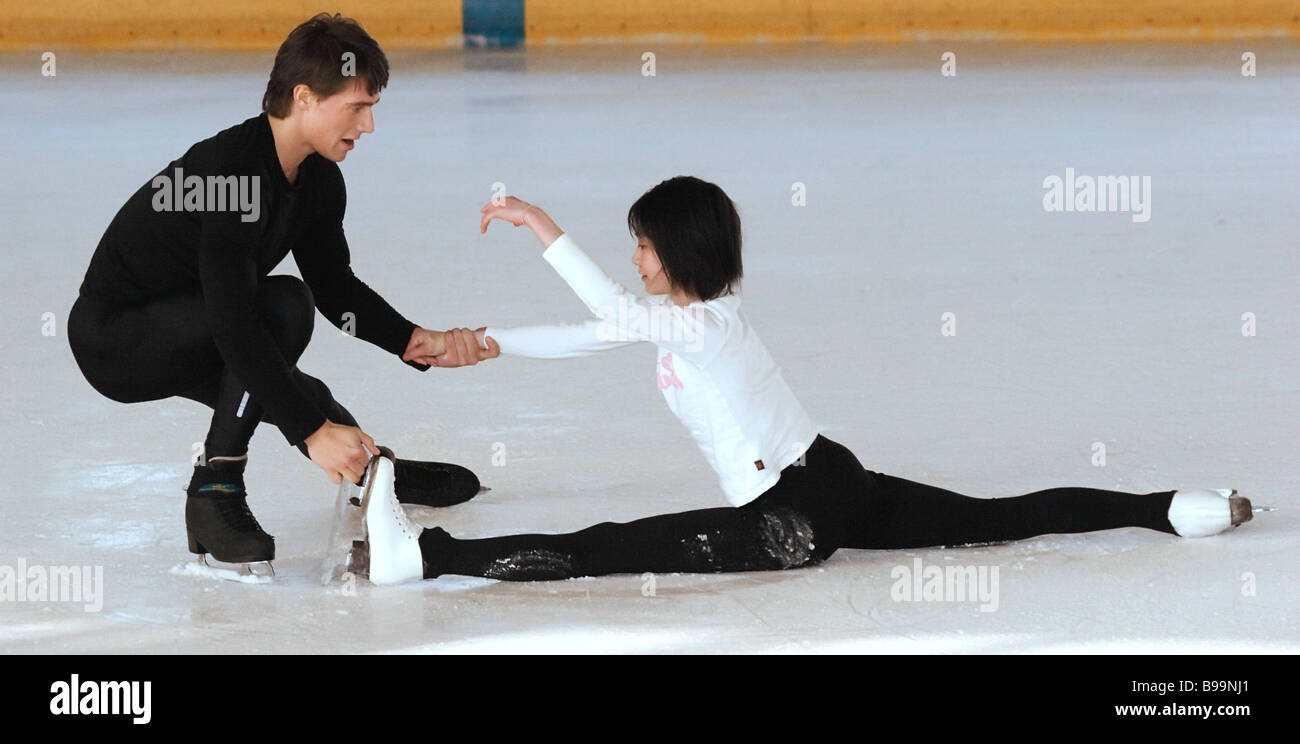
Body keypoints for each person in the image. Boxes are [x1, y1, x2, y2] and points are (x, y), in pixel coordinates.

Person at [360, 175, 1254, 585]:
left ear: (677, 253)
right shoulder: (703, 321)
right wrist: (487, 343)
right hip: (838, 478)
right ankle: (1173, 508)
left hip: (793, 515)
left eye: (641, 241)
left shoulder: (698, 323)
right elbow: (589, 335)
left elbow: (610, 314)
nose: (633, 255)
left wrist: (541, 225)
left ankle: (426, 560)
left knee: (612, 545)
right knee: (1000, 519)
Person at [67, 14, 495, 568]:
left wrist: (413, 339)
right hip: (117, 338)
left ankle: (371, 470)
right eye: (357, 107)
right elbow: (235, 321)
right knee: (282, 311)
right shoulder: (230, 177)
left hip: (192, 323)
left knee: (295, 381)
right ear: (305, 97)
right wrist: (311, 433)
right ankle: (215, 491)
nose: (368, 127)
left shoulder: (317, 177)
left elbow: (335, 288)